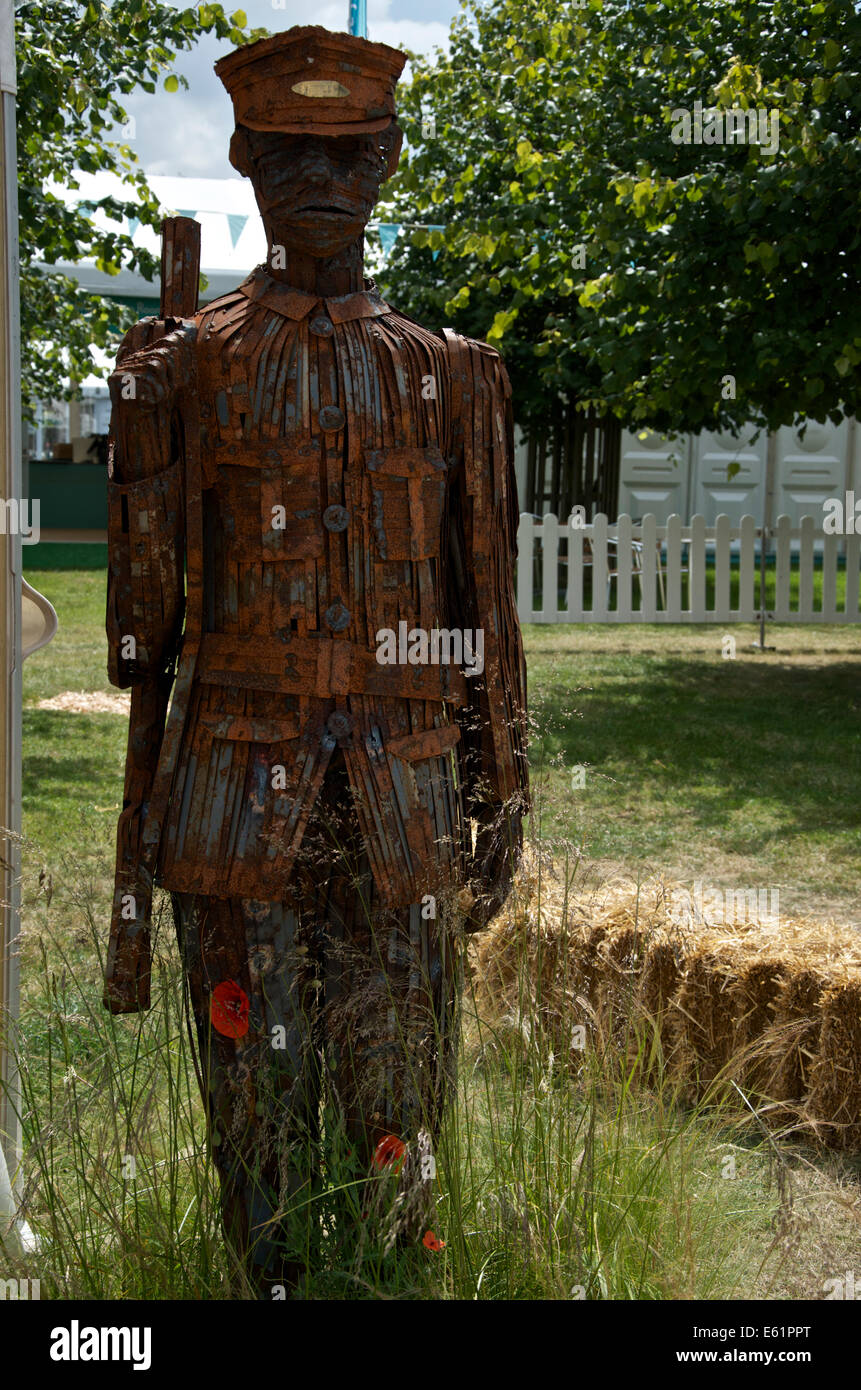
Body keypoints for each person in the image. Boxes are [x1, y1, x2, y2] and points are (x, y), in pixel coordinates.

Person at [103, 24, 528, 1296]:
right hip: (233, 796)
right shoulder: (191, 368)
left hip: (400, 799)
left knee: (402, 1082)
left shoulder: (450, 377)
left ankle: (398, 1278)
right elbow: (141, 632)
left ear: (389, 161)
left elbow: (487, 607)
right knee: (255, 1089)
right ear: (242, 156)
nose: (319, 180)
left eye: (346, 153)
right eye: (290, 152)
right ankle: (270, 1284)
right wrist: (144, 451)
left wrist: (500, 775)